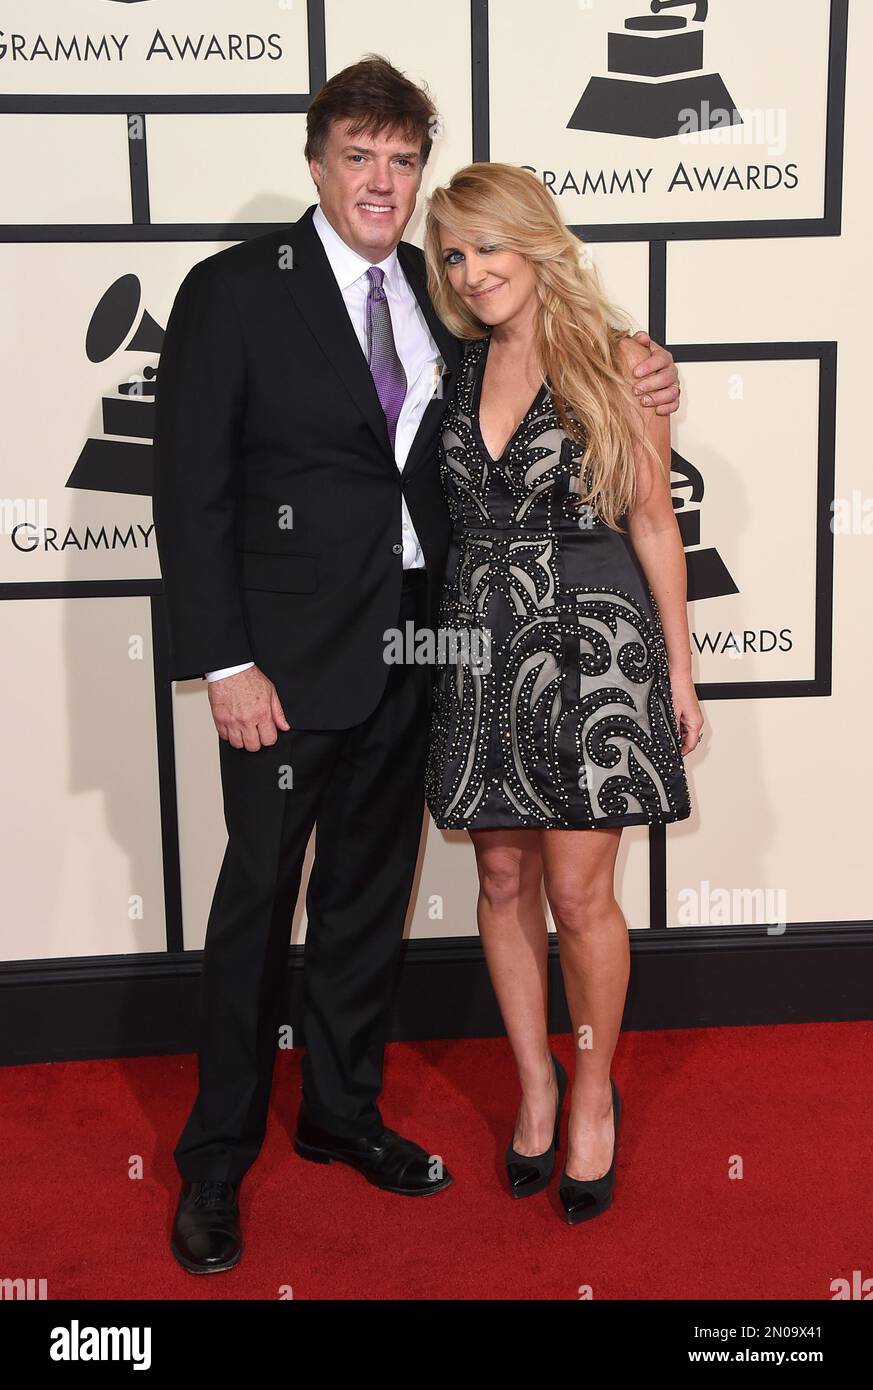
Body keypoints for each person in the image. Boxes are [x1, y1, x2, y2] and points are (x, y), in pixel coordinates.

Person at [152, 55, 682, 1273]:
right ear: (318, 162)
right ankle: (215, 1162)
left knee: (366, 903)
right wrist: (225, 659)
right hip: (280, 665)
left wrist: (643, 362)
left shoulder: (446, 295)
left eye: (403, 160)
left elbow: (561, 364)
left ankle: (341, 1114)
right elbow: (189, 491)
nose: (382, 181)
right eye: (359, 156)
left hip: (430, 645)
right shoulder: (235, 290)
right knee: (255, 908)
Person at [423, 163, 702, 1224]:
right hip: (479, 651)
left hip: (592, 652)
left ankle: (592, 1090)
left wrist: (677, 669)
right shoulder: (453, 369)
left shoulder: (621, 363)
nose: (472, 269)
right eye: (453, 253)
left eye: (489, 246)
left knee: (580, 898)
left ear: (536, 243)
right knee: (502, 881)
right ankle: (533, 1083)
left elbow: (651, 522)